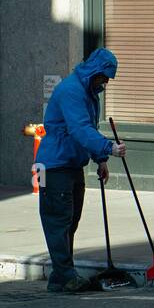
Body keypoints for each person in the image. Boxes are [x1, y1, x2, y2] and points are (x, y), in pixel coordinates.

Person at [34, 48, 127, 293]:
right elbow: (80, 129)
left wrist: (100, 159)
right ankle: (66, 276)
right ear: (94, 72)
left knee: (70, 221)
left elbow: (89, 129)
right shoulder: (71, 91)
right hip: (53, 166)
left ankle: (61, 277)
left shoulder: (89, 93)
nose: (106, 83)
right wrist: (108, 148)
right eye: (104, 77)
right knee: (58, 221)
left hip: (70, 164)